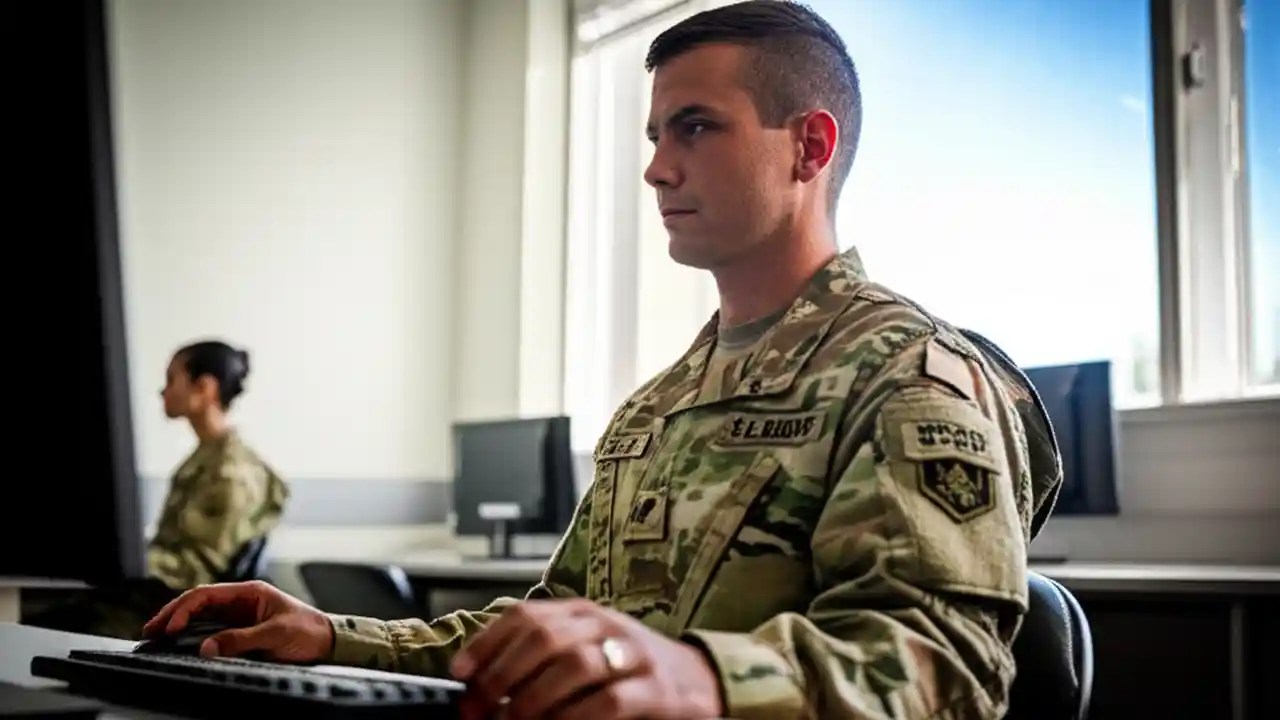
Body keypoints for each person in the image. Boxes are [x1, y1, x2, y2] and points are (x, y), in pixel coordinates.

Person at [143, 2, 1063, 718]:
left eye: (696, 128)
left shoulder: (909, 375)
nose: (658, 168)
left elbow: (947, 674)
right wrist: (332, 639)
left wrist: (697, 678)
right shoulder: (657, 409)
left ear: (809, 147)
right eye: (656, 136)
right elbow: (543, 629)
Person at [30, 339, 290, 639]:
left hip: (164, 611)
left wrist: (125, 559)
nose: (163, 391)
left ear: (203, 388)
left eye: (171, 379)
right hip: (150, 600)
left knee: (36, 624)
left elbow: (197, 571)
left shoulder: (232, 471)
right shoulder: (208, 458)